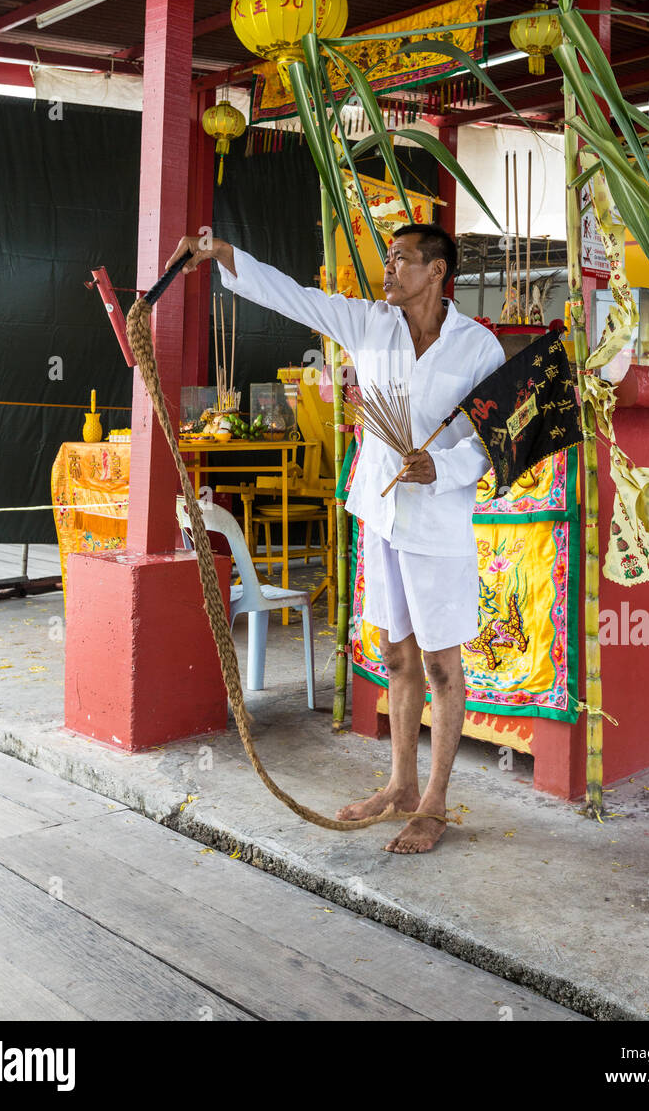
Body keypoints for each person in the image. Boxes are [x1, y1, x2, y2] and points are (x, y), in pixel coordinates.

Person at [166, 224, 503, 854]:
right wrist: (222, 253)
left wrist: (443, 467)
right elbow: (293, 296)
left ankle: (434, 803)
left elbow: (490, 445)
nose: (389, 270)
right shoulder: (370, 324)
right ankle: (401, 785)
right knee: (398, 657)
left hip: (438, 522)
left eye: (401, 260)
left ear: (436, 271)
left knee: (439, 663)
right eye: (388, 259)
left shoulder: (476, 347)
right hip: (381, 515)